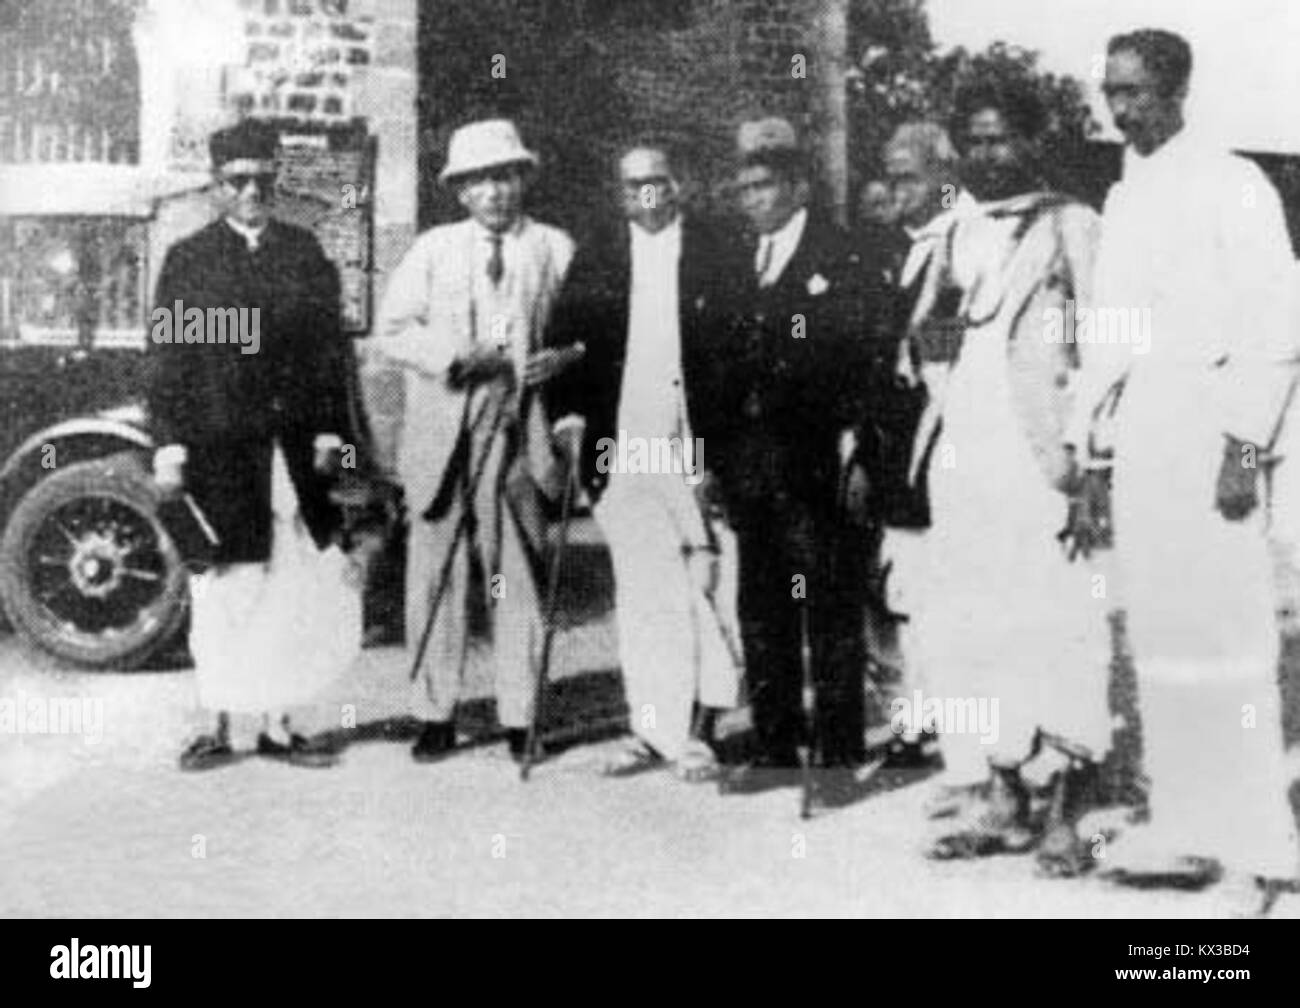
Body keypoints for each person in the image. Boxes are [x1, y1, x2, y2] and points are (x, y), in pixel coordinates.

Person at [1064, 28, 1299, 913]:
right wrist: (1093, 453)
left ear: (1176, 90)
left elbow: (1278, 328)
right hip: (1146, 441)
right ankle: (1190, 828)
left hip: (1213, 436)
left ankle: (1258, 855)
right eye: (1111, 92)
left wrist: (1244, 448)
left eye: (1135, 91)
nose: (1119, 108)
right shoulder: (1128, 193)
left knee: (1229, 642)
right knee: (1162, 637)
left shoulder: (1234, 185)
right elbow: (1108, 341)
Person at [890, 83, 1111, 872]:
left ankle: (1070, 807)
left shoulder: (1072, 225)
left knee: (1056, 624)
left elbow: (1110, 355)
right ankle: (1001, 795)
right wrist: (930, 343)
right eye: (974, 143)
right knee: (972, 628)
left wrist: (1093, 466)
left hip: (1041, 462)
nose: (988, 156)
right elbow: (919, 349)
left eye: (1000, 140)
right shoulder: (955, 233)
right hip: (964, 460)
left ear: (1031, 140)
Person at [684, 117, 887, 805]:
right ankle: (774, 748)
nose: (753, 199)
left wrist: (860, 449)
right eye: (743, 188)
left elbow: (867, 364)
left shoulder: (844, 258)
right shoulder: (738, 263)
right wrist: (709, 460)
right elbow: (710, 369)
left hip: (815, 467)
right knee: (762, 609)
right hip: (748, 470)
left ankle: (834, 759)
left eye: (765, 185)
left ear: (797, 186)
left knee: (828, 611)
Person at [149, 117, 360, 771]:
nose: (250, 193)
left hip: (290, 449)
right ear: (216, 186)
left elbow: (329, 355)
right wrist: (171, 446)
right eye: (237, 181)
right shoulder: (189, 261)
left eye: (262, 180)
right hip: (219, 449)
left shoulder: (304, 255)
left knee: (290, 584)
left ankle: (278, 725)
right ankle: (217, 723)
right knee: (223, 585)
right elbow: (169, 362)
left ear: (276, 181)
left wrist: (330, 432)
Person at [373, 119, 578, 763]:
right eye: (479, 181)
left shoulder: (554, 248)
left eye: (505, 176)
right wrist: (456, 356)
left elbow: (591, 330)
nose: (494, 192)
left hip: (518, 436)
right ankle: (435, 712)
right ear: (460, 191)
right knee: (434, 577)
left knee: (516, 576)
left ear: (523, 180)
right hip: (445, 440)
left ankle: (521, 715)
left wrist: (565, 359)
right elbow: (393, 331)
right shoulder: (434, 250)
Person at [546, 142, 742, 781]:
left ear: (678, 183)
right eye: (632, 187)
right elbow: (564, 347)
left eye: (656, 182)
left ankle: (702, 729)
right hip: (624, 442)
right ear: (620, 193)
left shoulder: (717, 251)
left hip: (695, 444)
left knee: (704, 582)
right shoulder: (598, 256)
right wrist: (570, 417)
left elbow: (744, 352)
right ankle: (650, 729)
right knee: (642, 586)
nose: (646, 197)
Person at [867, 122, 976, 764]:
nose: (895, 190)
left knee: (940, 585)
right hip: (900, 442)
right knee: (903, 584)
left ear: (945, 174)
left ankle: (951, 726)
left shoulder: (966, 240)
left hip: (949, 440)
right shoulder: (905, 247)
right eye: (891, 178)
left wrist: (917, 346)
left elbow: (956, 345)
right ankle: (917, 717)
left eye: (909, 177)